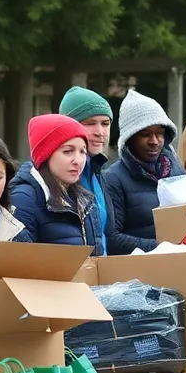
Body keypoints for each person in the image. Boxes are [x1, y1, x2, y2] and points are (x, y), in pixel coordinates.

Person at [103, 89, 185, 254]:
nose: (154, 141)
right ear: (130, 138)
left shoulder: (176, 170)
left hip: (182, 265)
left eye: (159, 134)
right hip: (140, 274)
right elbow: (113, 239)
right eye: (145, 134)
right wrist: (162, 248)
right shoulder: (113, 178)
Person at [8, 114, 104, 251]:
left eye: (82, 151)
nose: (78, 160)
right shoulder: (24, 199)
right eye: (68, 151)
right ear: (46, 155)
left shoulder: (85, 199)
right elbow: (20, 263)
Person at [59, 86, 115, 250]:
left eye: (105, 124)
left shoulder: (97, 173)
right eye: (89, 124)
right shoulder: (58, 178)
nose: (100, 132)